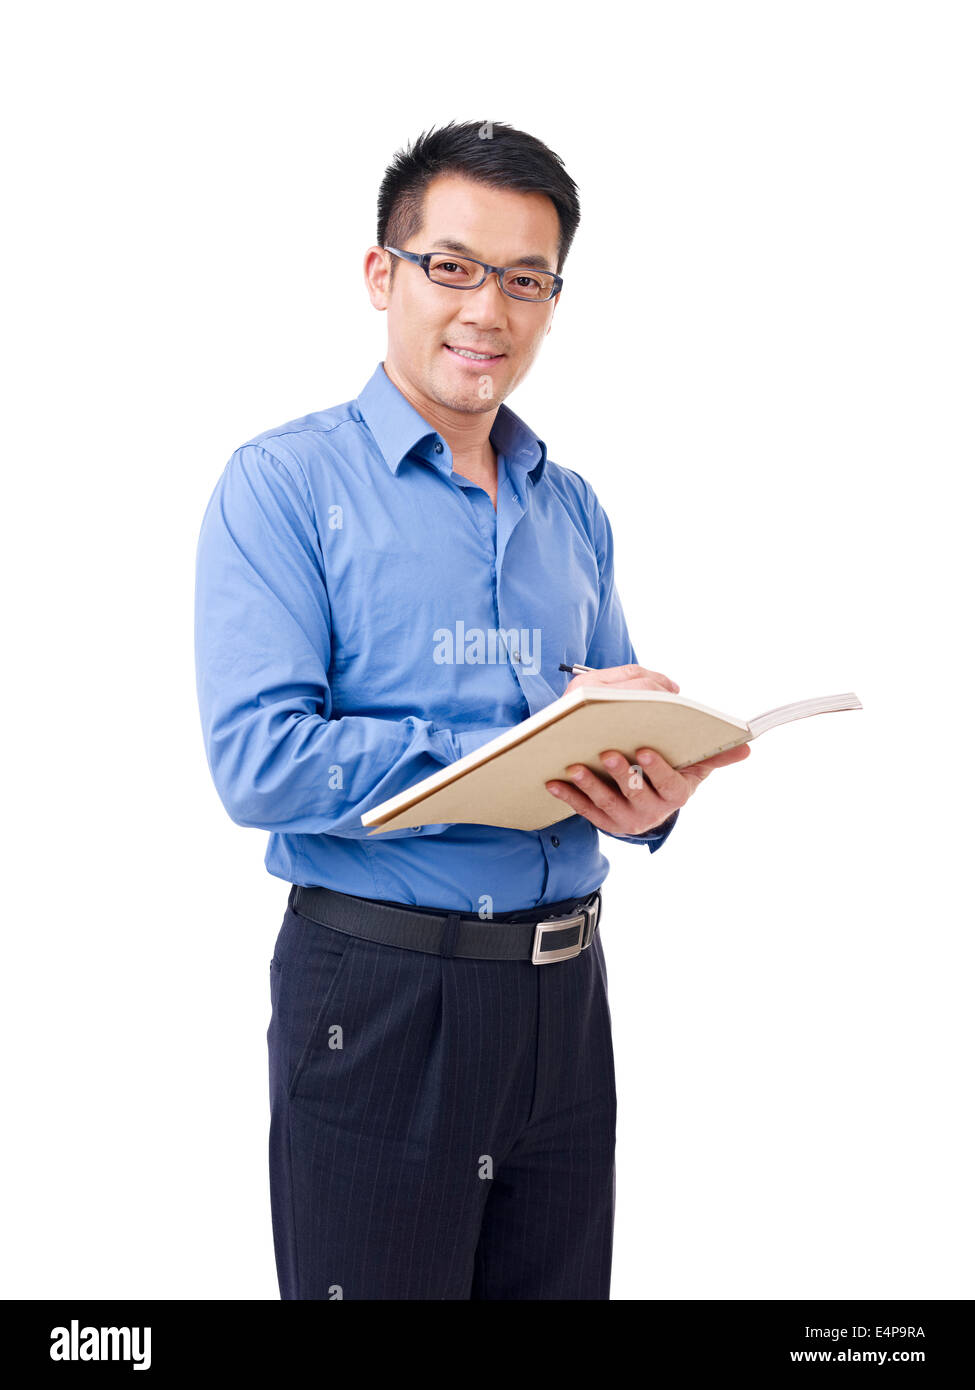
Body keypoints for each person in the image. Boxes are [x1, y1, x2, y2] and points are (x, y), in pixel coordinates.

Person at [194, 119, 750, 1301]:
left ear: (553, 300)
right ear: (381, 273)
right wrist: (502, 754)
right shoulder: (284, 485)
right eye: (452, 266)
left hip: (565, 996)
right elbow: (260, 764)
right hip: (384, 997)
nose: (485, 309)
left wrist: (650, 789)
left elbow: (606, 718)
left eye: (525, 279)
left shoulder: (574, 507)